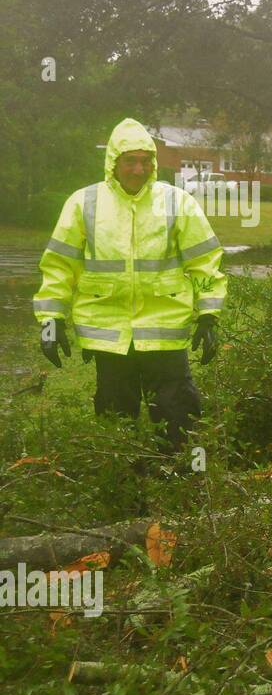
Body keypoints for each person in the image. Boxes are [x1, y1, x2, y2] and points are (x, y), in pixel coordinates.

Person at [33, 118, 227, 450]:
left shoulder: (177, 203)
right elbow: (59, 265)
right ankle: (124, 493)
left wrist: (209, 315)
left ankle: (181, 486)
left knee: (178, 416)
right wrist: (51, 319)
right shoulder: (84, 203)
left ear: (153, 162)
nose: (138, 169)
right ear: (113, 162)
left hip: (165, 333)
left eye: (145, 160)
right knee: (115, 424)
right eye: (130, 161)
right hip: (110, 337)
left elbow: (203, 262)